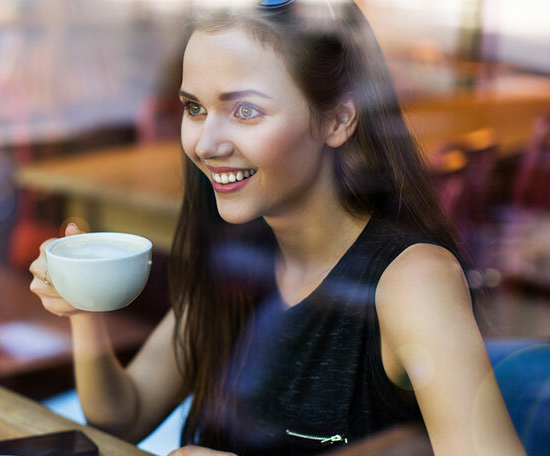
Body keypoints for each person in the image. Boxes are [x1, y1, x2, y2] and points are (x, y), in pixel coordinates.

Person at [29, 1, 526, 454]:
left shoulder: (411, 278)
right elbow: (125, 416)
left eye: (246, 110)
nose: (206, 143)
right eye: (194, 108)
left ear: (337, 118)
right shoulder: (237, 252)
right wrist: (83, 309)